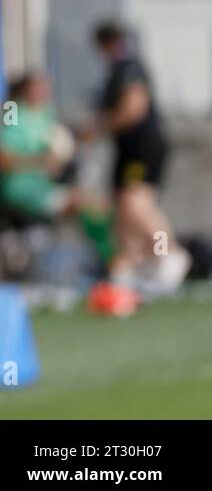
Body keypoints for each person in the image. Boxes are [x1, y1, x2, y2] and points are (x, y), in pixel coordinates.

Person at [80, 22, 191, 301]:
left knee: (136, 203)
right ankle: (128, 268)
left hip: (142, 147)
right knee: (122, 207)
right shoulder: (118, 69)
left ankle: (170, 255)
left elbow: (134, 108)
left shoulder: (129, 66)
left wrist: (99, 127)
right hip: (127, 149)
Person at [0, 72, 113, 265]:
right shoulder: (13, 110)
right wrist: (39, 161)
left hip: (46, 184)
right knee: (83, 204)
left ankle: (108, 256)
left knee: (101, 204)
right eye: (38, 86)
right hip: (22, 188)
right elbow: (0, 157)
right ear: (25, 89)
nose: (44, 91)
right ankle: (108, 261)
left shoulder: (46, 113)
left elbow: (57, 146)